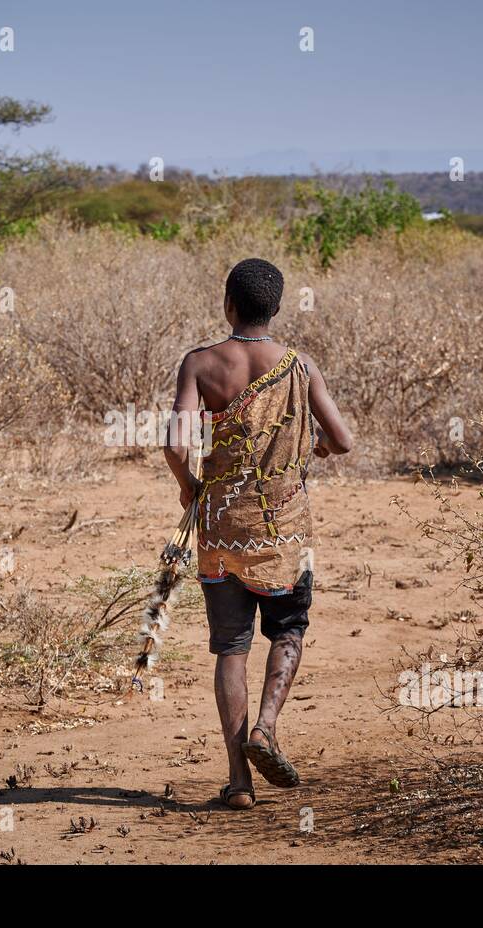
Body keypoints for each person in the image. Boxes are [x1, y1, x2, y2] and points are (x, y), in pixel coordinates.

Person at [163, 258, 353, 809]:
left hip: (219, 530)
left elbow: (176, 445)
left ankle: (238, 781)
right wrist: (311, 450)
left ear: (228, 305)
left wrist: (189, 486)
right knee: (288, 630)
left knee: (230, 647)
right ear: (275, 308)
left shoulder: (199, 364)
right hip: (283, 534)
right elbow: (341, 440)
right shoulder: (299, 367)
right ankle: (266, 729)